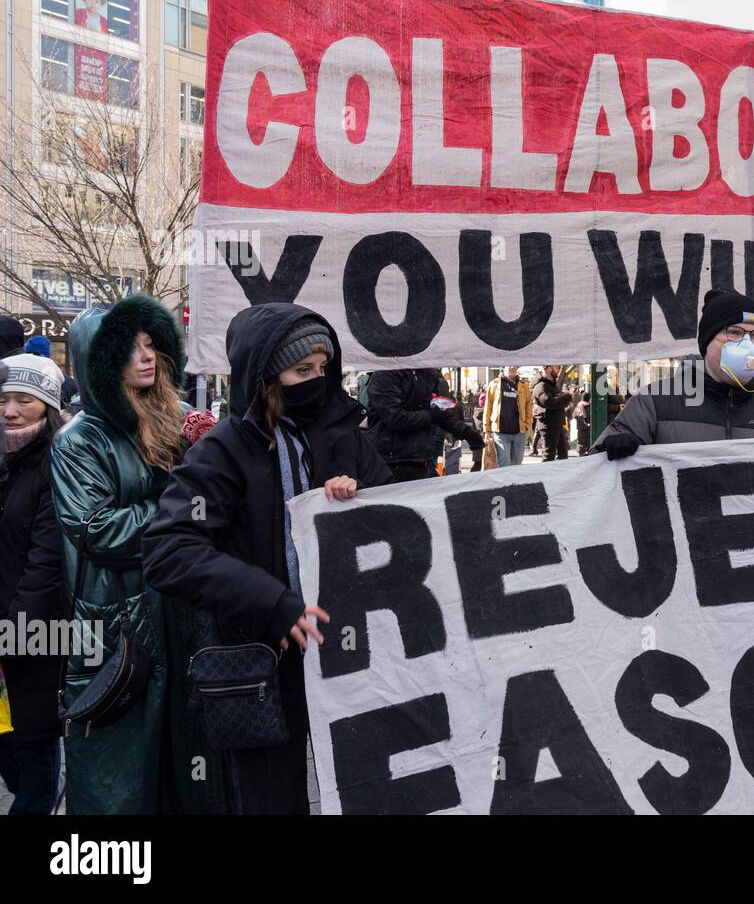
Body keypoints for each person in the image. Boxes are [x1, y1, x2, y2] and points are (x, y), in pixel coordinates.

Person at [142, 305, 394, 814]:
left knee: (372, 789)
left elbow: (402, 516)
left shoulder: (345, 433)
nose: (316, 381)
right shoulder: (222, 452)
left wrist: (362, 497)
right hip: (260, 660)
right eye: (302, 371)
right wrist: (273, 602)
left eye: (323, 369)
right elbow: (169, 550)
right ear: (263, 376)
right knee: (271, 801)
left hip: (353, 653)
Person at [50, 296, 187, 814]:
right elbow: (98, 531)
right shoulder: (78, 441)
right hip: (110, 625)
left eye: (152, 344)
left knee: (172, 765)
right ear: (100, 362)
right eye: (129, 350)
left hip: (169, 609)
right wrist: (179, 504)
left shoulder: (169, 423)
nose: (145, 357)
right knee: (113, 775)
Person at [591, 290, 754, 454]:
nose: (747, 344)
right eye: (734, 332)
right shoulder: (654, 403)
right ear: (706, 342)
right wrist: (610, 449)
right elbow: (592, 475)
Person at [0, 355, 67, 814]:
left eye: (24, 400)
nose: (10, 410)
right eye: (3, 399)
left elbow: (47, 565)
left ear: (47, 407)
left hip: (33, 636)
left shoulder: (55, 464)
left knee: (33, 756)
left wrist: (11, 635)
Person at [365, 367, 482, 482]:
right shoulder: (384, 376)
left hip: (420, 457)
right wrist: (431, 415)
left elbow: (441, 411)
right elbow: (396, 418)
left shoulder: (427, 373)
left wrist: (464, 431)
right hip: (390, 460)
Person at [483, 366, 532, 467]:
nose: (512, 367)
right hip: (501, 433)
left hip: (519, 433)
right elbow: (488, 406)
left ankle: (514, 483)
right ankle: (505, 483)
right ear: (503, 367)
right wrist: (486, 427)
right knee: (504, 464)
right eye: (509, 364)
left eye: (514, 365)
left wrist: (527, 424)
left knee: (517, 464)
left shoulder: (524, 385)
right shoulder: (494, 384)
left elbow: (529, 405)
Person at [533, 365, 573, 461]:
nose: (559, 369)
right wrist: (566, 398)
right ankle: (545, 476)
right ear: (549, 368)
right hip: (549, 426)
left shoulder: (550, 384)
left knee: (563, 456)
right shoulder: (541, 386)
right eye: (557, 367)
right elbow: (549, 402)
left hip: (557, 424)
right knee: (549, 457)